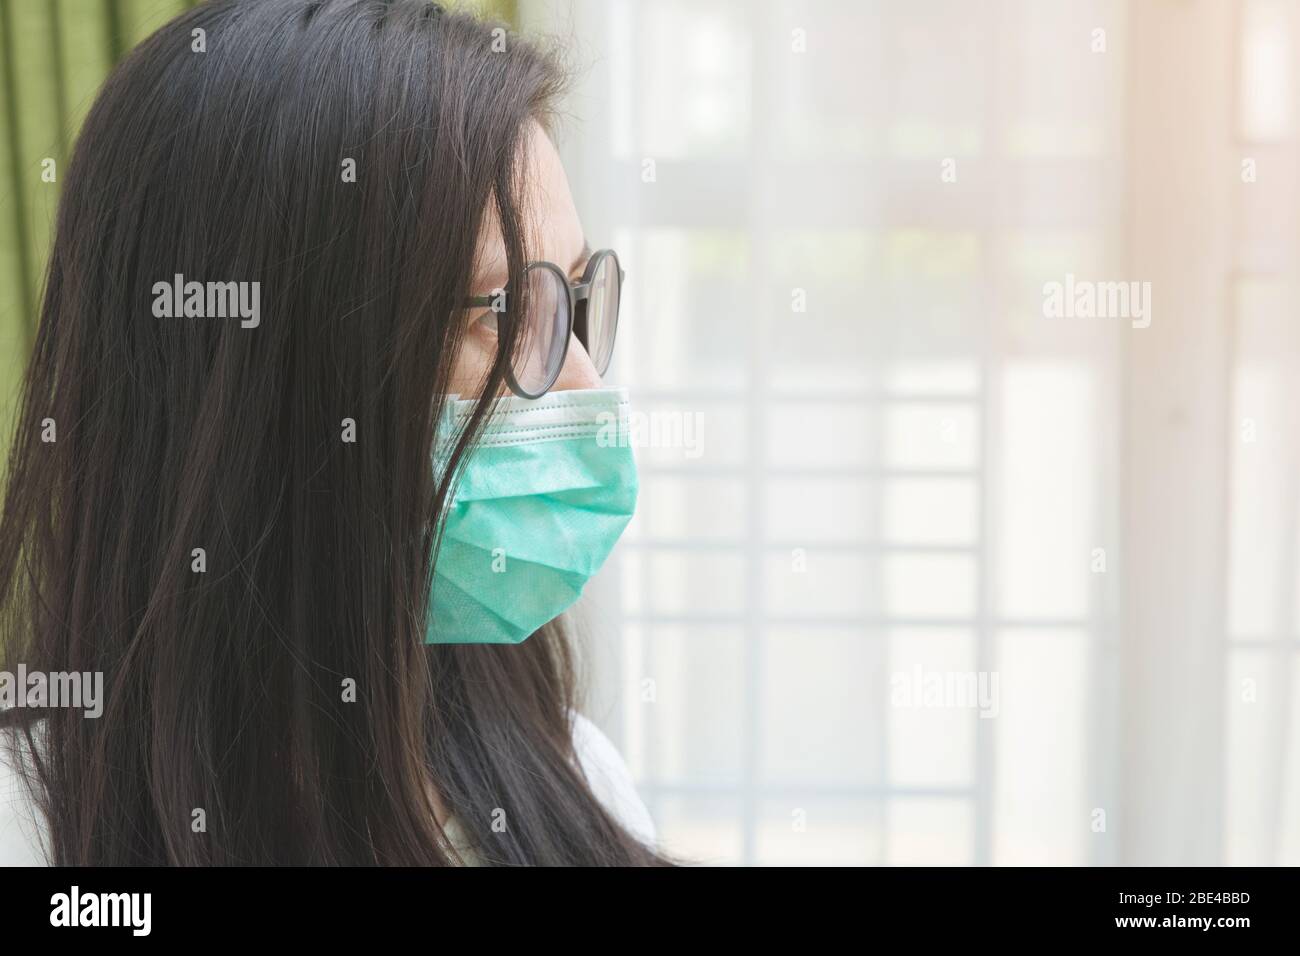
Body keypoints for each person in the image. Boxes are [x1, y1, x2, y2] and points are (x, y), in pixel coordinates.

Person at [0, 0, 666, 866]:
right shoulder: (29, 828)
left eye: (571, 300)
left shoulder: (569, 776)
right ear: (273, 378)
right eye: (505, 312)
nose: (581, 378)